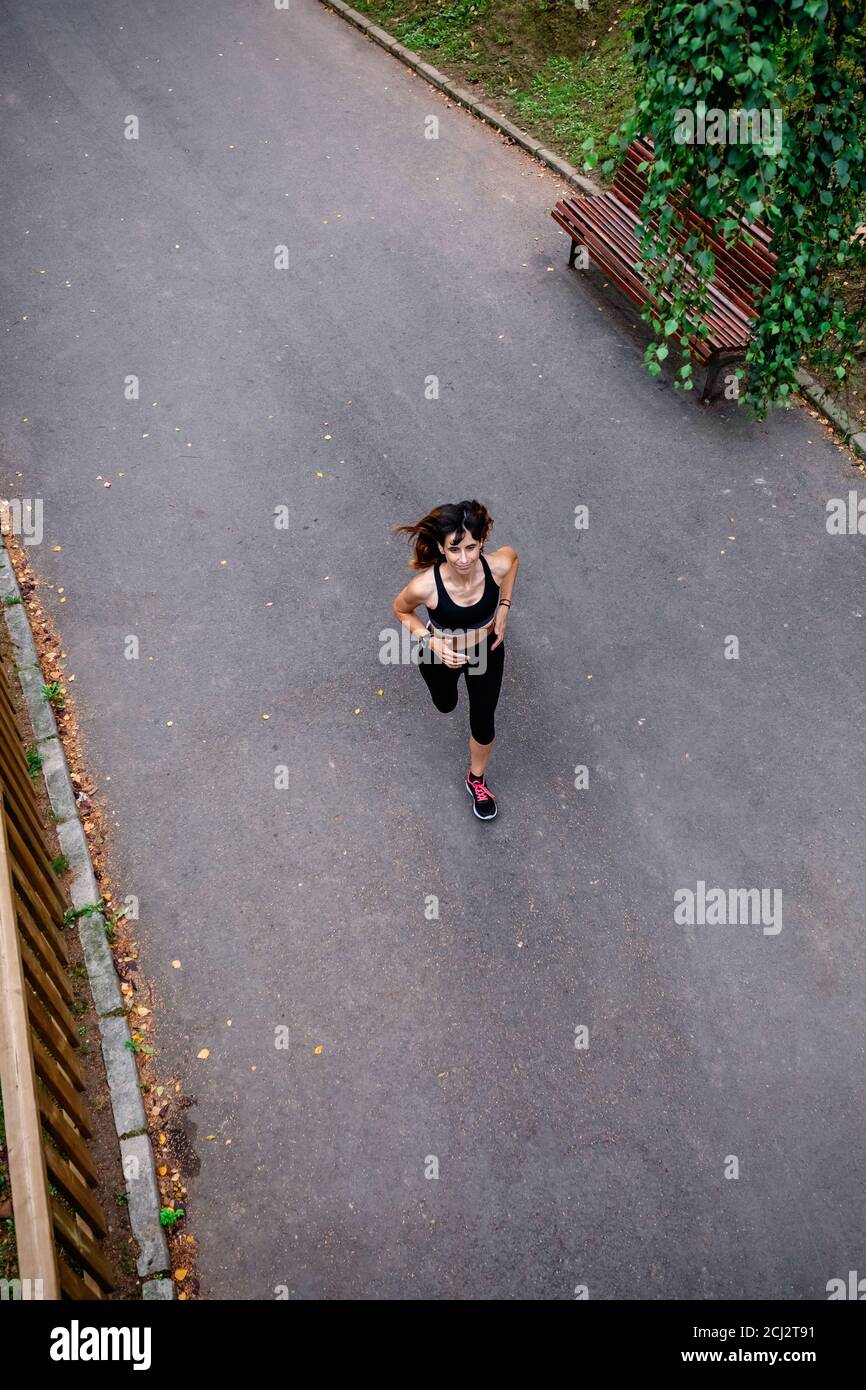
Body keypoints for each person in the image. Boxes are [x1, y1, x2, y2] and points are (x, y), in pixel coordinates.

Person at [392, 500, 518, 820]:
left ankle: (476, 779)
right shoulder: (425, 586)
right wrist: (430, 640)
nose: (464, 559)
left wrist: (504, 606)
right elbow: (401, 610)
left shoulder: (497, 565)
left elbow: (513, 559)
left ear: (481, 543)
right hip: (440, 656)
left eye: (472, 548)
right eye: (454, 550)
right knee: (446, 705)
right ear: (441, 547)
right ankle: (443, 687)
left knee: (483, 719)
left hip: (486, 651)